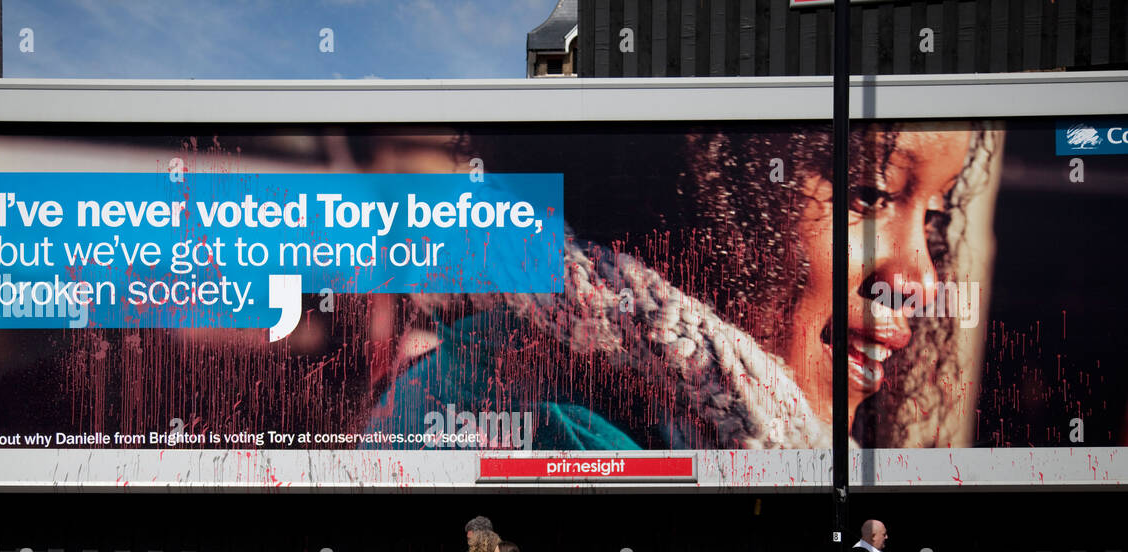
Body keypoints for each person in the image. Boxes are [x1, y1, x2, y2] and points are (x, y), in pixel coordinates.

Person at [366, 123, 998, 452]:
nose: (920, 280)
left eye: (935, 216)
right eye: (870, 194)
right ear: (691, 187)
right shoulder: (564, 440)